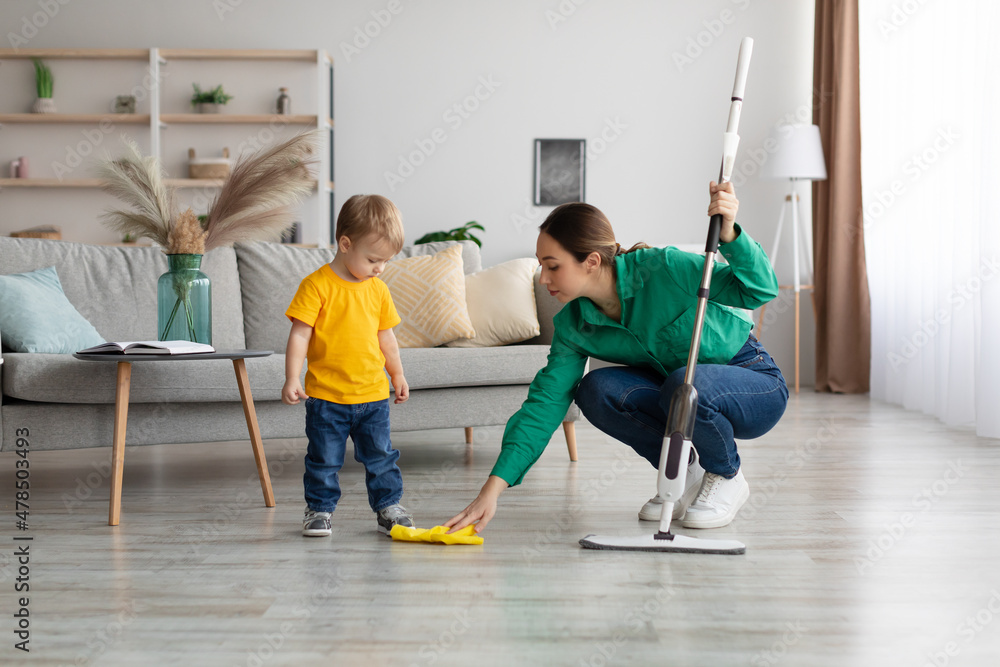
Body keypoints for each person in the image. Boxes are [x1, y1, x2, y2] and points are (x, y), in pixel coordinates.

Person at [446, 182, 788, 534]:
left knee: (683, 383)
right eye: (541, 266)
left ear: (591, 261)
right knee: (596, 389)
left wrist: (729, 232)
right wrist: (493, 489)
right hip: (678, 394)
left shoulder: (665, 268)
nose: (543, 278)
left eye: (553, 266)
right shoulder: (574, 324)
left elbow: (759, 289)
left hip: (751, 382)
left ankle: (726, 473)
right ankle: (685, 472)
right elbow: (544, 403)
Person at [282, 194, 414, 538]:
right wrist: (292, 377)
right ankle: (319, 510)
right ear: (345, 244)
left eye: (385, 261)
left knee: (382, 457)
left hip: (373, 396)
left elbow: (387, 339)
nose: (379, 268)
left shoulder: (378, 290)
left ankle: (389, 507)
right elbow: (299, 336)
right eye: (373, 259)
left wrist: (397, 374)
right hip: (327, 398)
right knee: (324, 460)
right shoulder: (316, 286)